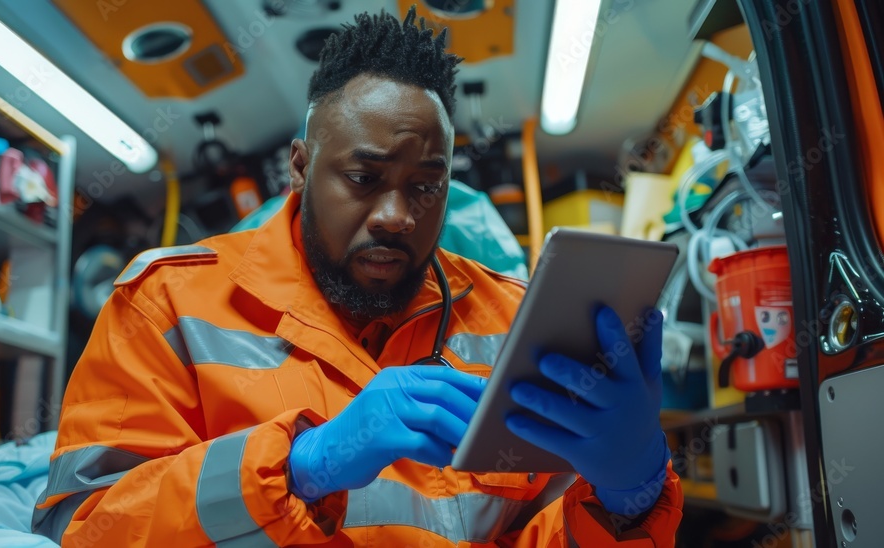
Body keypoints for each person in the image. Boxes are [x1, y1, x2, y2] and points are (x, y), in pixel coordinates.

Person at [33, 7, 682, 546]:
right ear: (299, 166)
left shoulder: (513, 321)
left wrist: (629, 495)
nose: (398, 216)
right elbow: (83, 531)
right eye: (364, 179)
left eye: (426, 186)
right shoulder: (166, 303)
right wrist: (301, 466)